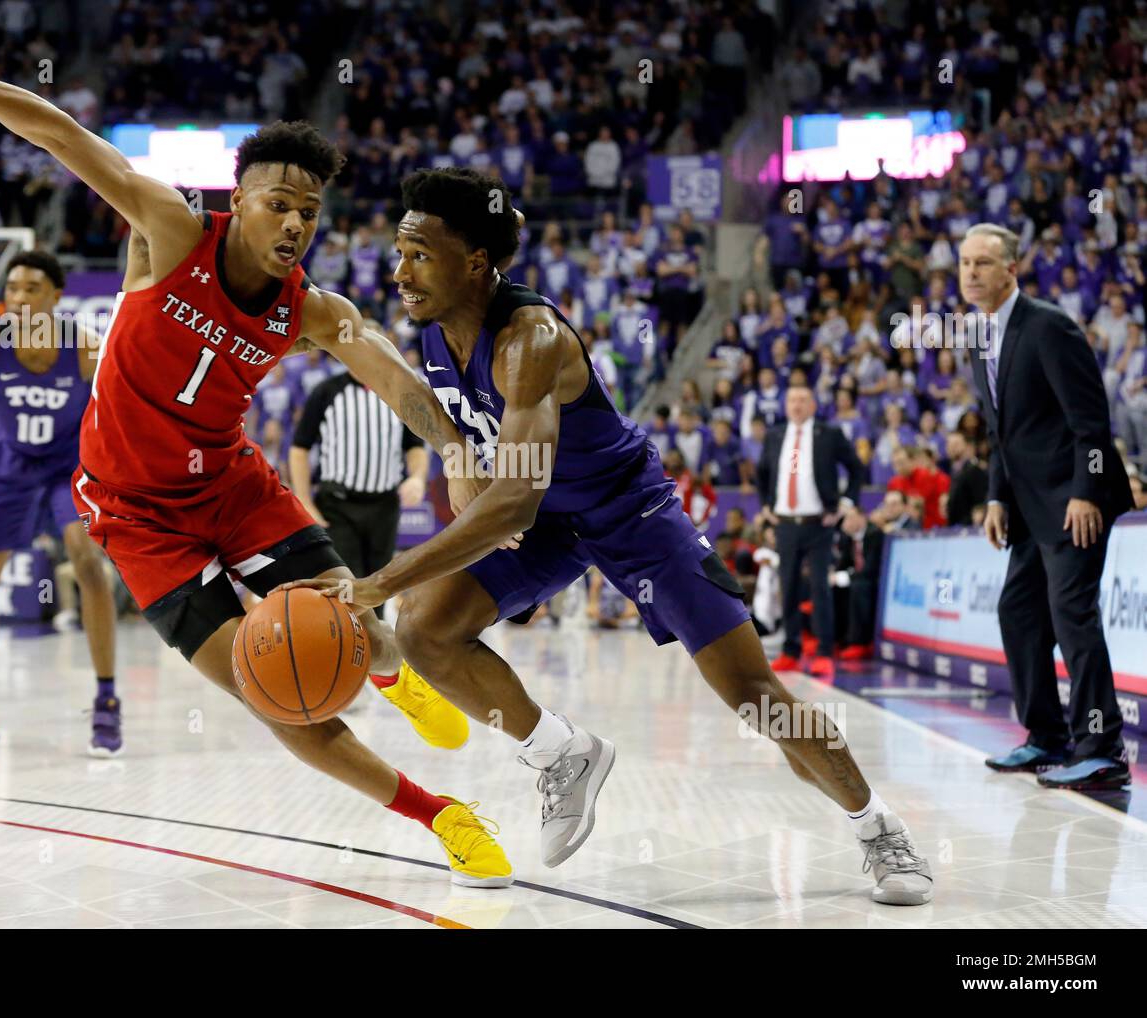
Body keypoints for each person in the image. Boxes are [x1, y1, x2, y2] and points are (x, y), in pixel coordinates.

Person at [0, 10, 511, 885]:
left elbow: (386, 369)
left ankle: (396, 679)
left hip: (232, 486)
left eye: (310, 210)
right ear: (240, 202)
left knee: (364, 633)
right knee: (276, 695)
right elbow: (64, 137)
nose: (296, 222)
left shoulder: (309, 307)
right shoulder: (168, 230)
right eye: (279, 203)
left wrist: (458, 448)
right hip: (133, 514)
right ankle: (442, 816)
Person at [289, 168, 932, 905]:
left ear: (474, 262)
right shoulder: (436, 329)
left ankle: (877, 825)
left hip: (629, 511)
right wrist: (453, 448)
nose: (398, 270)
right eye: (398, 251)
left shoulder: (529, 340)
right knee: (426, 629)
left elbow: (512, 508)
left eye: (418, 253)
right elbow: (410, 391)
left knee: (755, 696)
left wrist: (376, 581)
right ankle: (561, 751)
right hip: (553, 520)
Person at [0, 252, 122, 754]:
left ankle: (105, 702)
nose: (18, 297)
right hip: (10, 465)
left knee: (87, 560)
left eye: (32, 288)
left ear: (57, 296)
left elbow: (118, 422)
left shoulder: (84, 349)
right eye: (12, 288)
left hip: (67, 468)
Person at [960, 223, 1134, 790]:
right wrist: (993, 498)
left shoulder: (1050, 327)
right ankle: (1047, 737)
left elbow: (1092, 423)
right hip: (1032, 508)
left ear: (1012, 268)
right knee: (1018, 613)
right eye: (965, 263)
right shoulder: (979, 336)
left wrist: (1087, 491)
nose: (971, 273)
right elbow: (1000, 434)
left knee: (1073, 618)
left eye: (983, 263)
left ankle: (1102, 748)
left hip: (1075, 501)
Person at [288, 365, 464, 747]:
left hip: (384, 506)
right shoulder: (327, 391)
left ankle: (378, 672)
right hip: (338, 504)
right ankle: (345, 677)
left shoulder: (392, 391)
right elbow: (299, 448)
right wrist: (304, 499)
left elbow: (414, 447)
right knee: (346, 594)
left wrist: (417, 478)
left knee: (379, 591)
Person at [757, 385, 863, 680]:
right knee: (788, 587)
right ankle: (791, 651)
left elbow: (856, 468)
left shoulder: (828, 434)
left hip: (820, 523)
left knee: (820, 587)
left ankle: (824, 653)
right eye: (791, 399)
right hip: (786, 524)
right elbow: (762, 472)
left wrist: (846, 503)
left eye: (803, 399)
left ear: (813, 405)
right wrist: (765, 505)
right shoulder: (776, 435)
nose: (797, 405)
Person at [833, 506, 883, 659]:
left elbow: (871, 568)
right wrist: (834, 576)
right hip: (859, 578)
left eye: (849, 518)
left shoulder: (875, 534)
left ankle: (860, 642)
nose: (845, 524)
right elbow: (843, 564)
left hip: (874, 580)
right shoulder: (850, 538)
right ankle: (839, 639)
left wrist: (847, 577)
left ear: (862, 518)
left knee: (858, 588)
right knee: (834, 587)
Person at [944, 429, 988, 527]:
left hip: (970, 529)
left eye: (956, 444)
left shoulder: (974, 470)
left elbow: (980, 503)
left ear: (967, 446)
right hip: (955, 527)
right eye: (949, 444)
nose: (951, 448)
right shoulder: (953, 470)